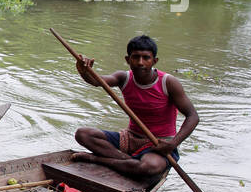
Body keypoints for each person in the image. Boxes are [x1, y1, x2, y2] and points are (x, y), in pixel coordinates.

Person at [71, 33, 199, 178]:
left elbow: (193, 116)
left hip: (158, 143)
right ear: (128, 59)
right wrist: (84, 71)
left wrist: (173, 144)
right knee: (83, 134)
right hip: (130, 138)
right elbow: (97, 81)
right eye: (135, 57)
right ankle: (129, 162)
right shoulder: (124, 77)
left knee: (148, 167)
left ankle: (98, 159)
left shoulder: (168, 82)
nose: (140, 62)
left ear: (154, 61)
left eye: (146, 58)